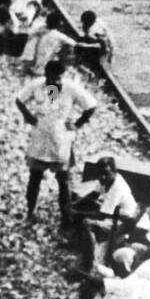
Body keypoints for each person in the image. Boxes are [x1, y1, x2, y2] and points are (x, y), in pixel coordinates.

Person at [15, 61, 96, 225]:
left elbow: (91, 105)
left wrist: (78, 123)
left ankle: (65, 217)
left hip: (61, 139)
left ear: (62, 76)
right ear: (45, 76)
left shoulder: (70, 88)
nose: (55, 82)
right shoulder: (37, 86)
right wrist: (28, 116)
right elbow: (19, 99)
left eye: (58, 78)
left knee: (63, 180)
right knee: (35, 177)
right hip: (40, 138)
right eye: (51, 79)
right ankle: (30, 211)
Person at [74, 156, 140, 270]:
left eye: (106, 174)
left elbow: (102, 215)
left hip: (123, 221)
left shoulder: (117, 187)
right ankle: (78, 243)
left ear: (114, 172)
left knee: (87, 223)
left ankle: (89, 262)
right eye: (99, 174)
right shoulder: (106, 180)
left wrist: (78, 212)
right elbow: (93, 194)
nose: (102, 177)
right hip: (112, 212)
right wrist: (75, 204)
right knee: (87, 205)